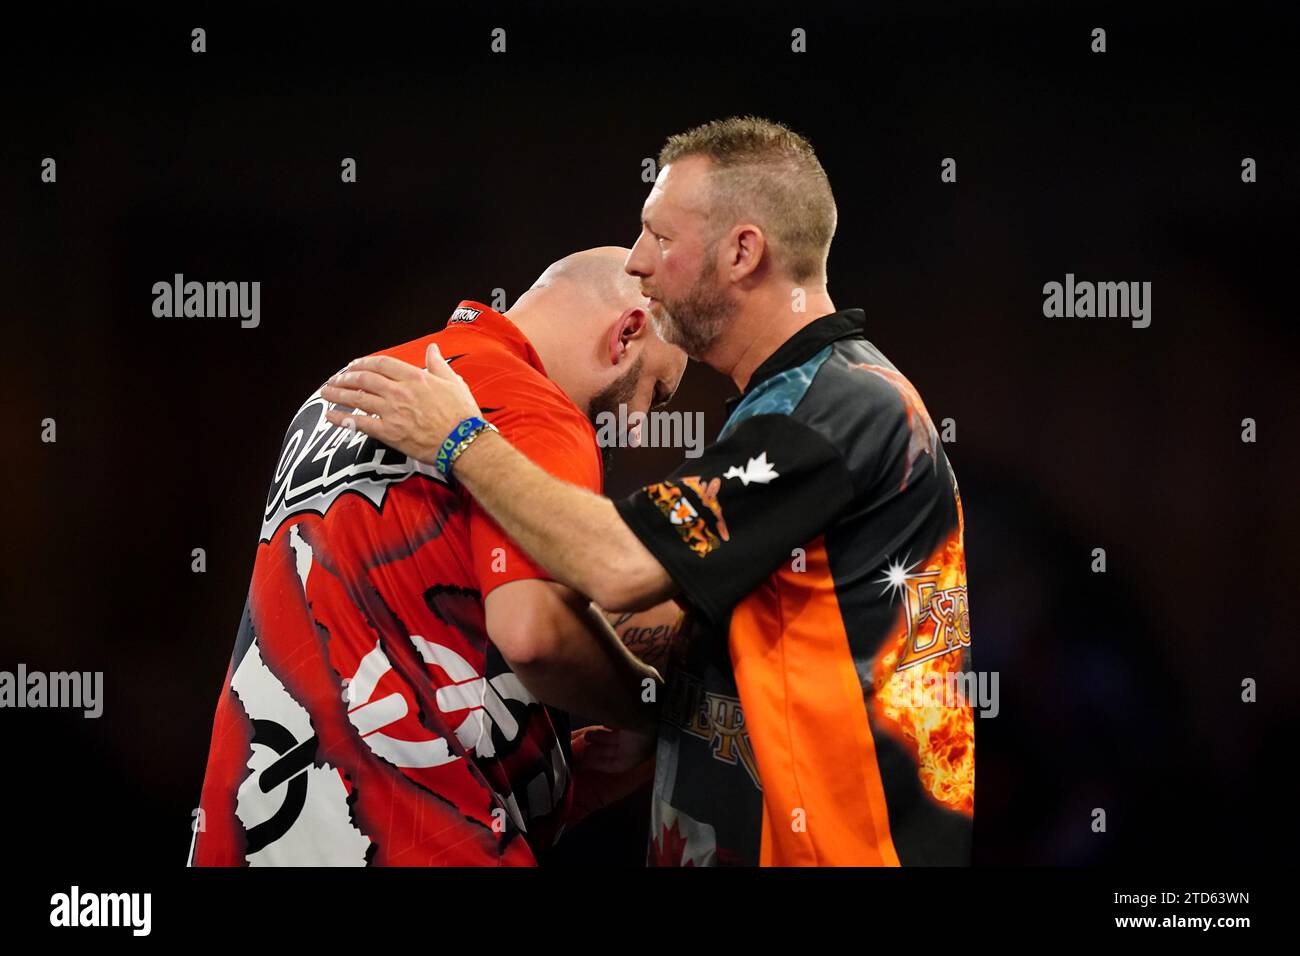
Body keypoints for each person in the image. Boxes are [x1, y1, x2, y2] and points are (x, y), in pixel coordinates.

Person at [322, 117, 976, 866]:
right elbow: (687, 616)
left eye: (658, 237)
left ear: (742, 252)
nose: (637, 262)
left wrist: (461, 439)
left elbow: (617, 566)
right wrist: (651, 708)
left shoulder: (839, 409)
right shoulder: (785, 410)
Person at [191, 247, 687, 866]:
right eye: (655, 392)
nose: (639, 428)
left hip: (248, 837)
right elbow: (535, 635)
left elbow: (390, 623)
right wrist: (653, 707)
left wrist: (560, 768)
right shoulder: (538, 410)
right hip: (414, 839)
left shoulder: (342, 390)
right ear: (628, 332)